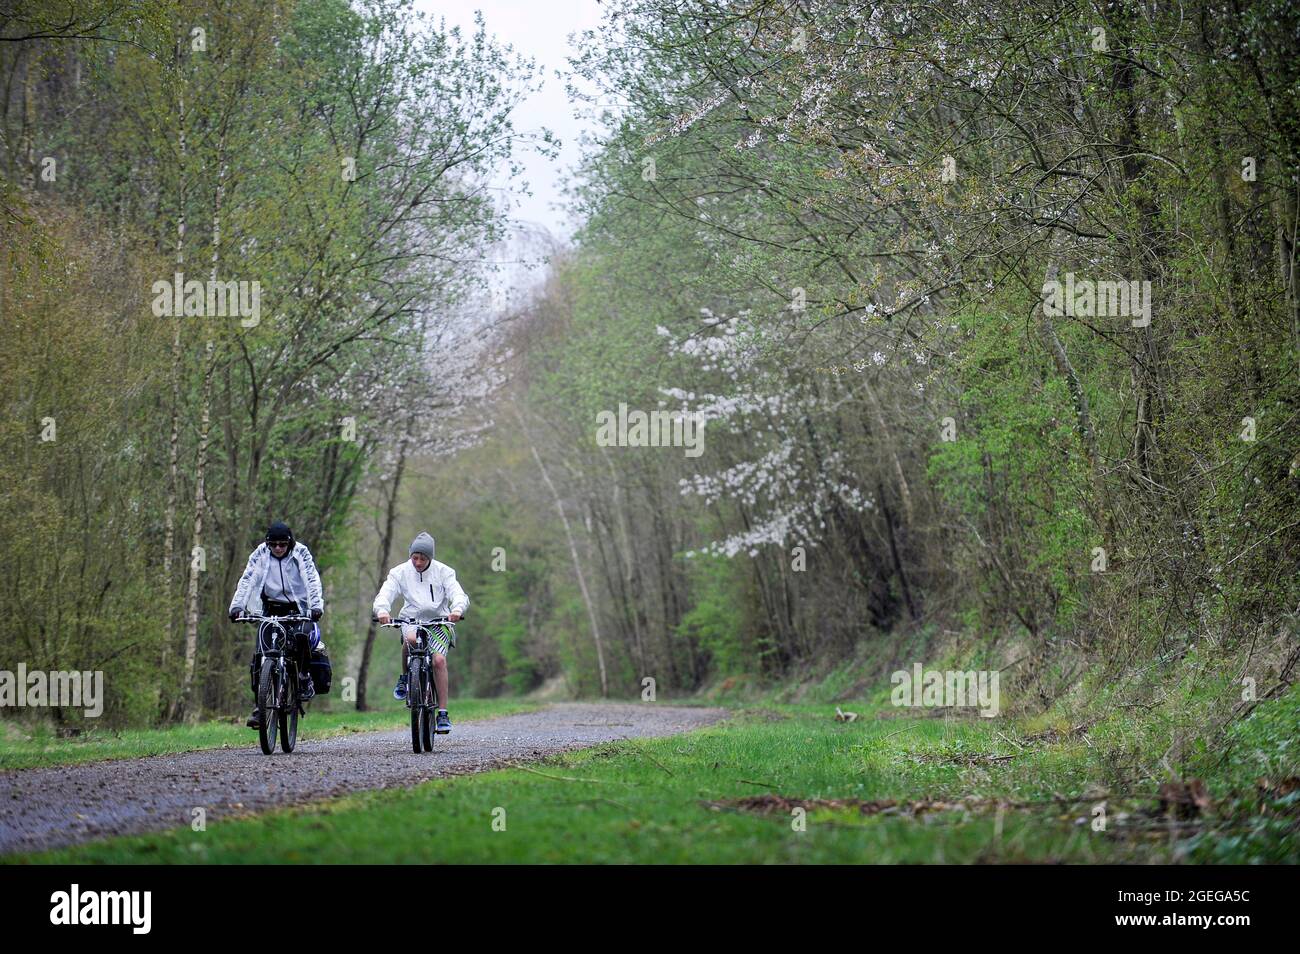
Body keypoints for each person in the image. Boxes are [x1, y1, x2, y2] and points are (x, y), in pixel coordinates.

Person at [228, 521, 324, 729]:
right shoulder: (260, 554)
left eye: (282, 544)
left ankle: (303, 677)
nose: (278, 548)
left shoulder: (301, 553)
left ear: (290, 543)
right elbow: (247, 579)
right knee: (259, 656)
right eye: (274, 544)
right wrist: (237, 606)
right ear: (267, 543)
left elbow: (311, 579)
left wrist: (315, 606)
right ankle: (260, 707)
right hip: (271, 609)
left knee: (303, 637)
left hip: (298, 609)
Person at [373, 531, 468, 734]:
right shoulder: (399, 572)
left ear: (430, 557)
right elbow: (386, 592)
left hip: (439, 621)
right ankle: (405, 678)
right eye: (414, 557)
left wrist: (457, 609)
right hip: (411, 619)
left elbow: (458, 593)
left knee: (439, 661)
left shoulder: (444, 572)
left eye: (422, 558)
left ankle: (443, 713)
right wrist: (382, 611)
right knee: (410, 639)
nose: (417, 562)